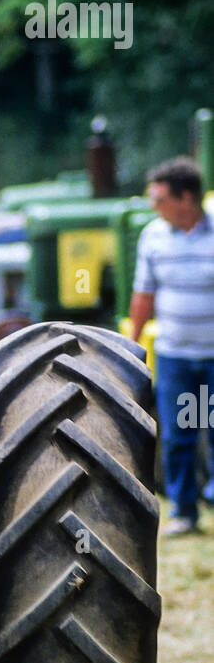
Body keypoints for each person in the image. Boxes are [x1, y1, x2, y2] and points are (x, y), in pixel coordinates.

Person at [131, 156, 214, 534]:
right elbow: (144, 294)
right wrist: (130, 346)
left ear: (186, 198)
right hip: (176, 356)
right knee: (180, 434)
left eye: (160, 198)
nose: (154, 206)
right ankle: (184, 510)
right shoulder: (153, 236)